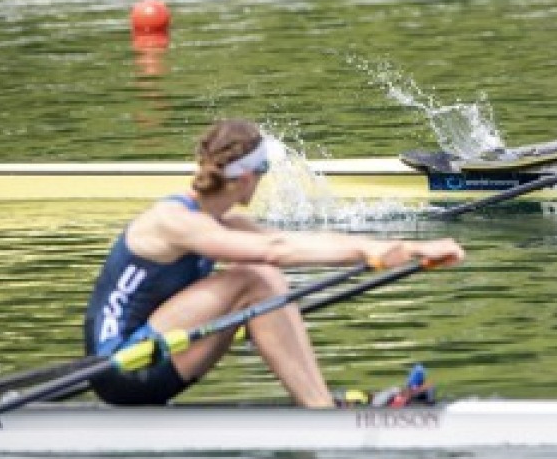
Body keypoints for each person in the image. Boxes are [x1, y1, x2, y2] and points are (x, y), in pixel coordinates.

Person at [82, 119, 465, 408]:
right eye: (264, 173)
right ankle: (318, 409)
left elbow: (297, 242)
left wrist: (402, 248)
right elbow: (274, 251)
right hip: (121, 367)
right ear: (246, 176)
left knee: (262, 283)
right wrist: (371, 253)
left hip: (162, 358)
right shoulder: (174, 221)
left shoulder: (225, 222)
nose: (264, 181)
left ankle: (318, 403)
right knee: (257, 279)